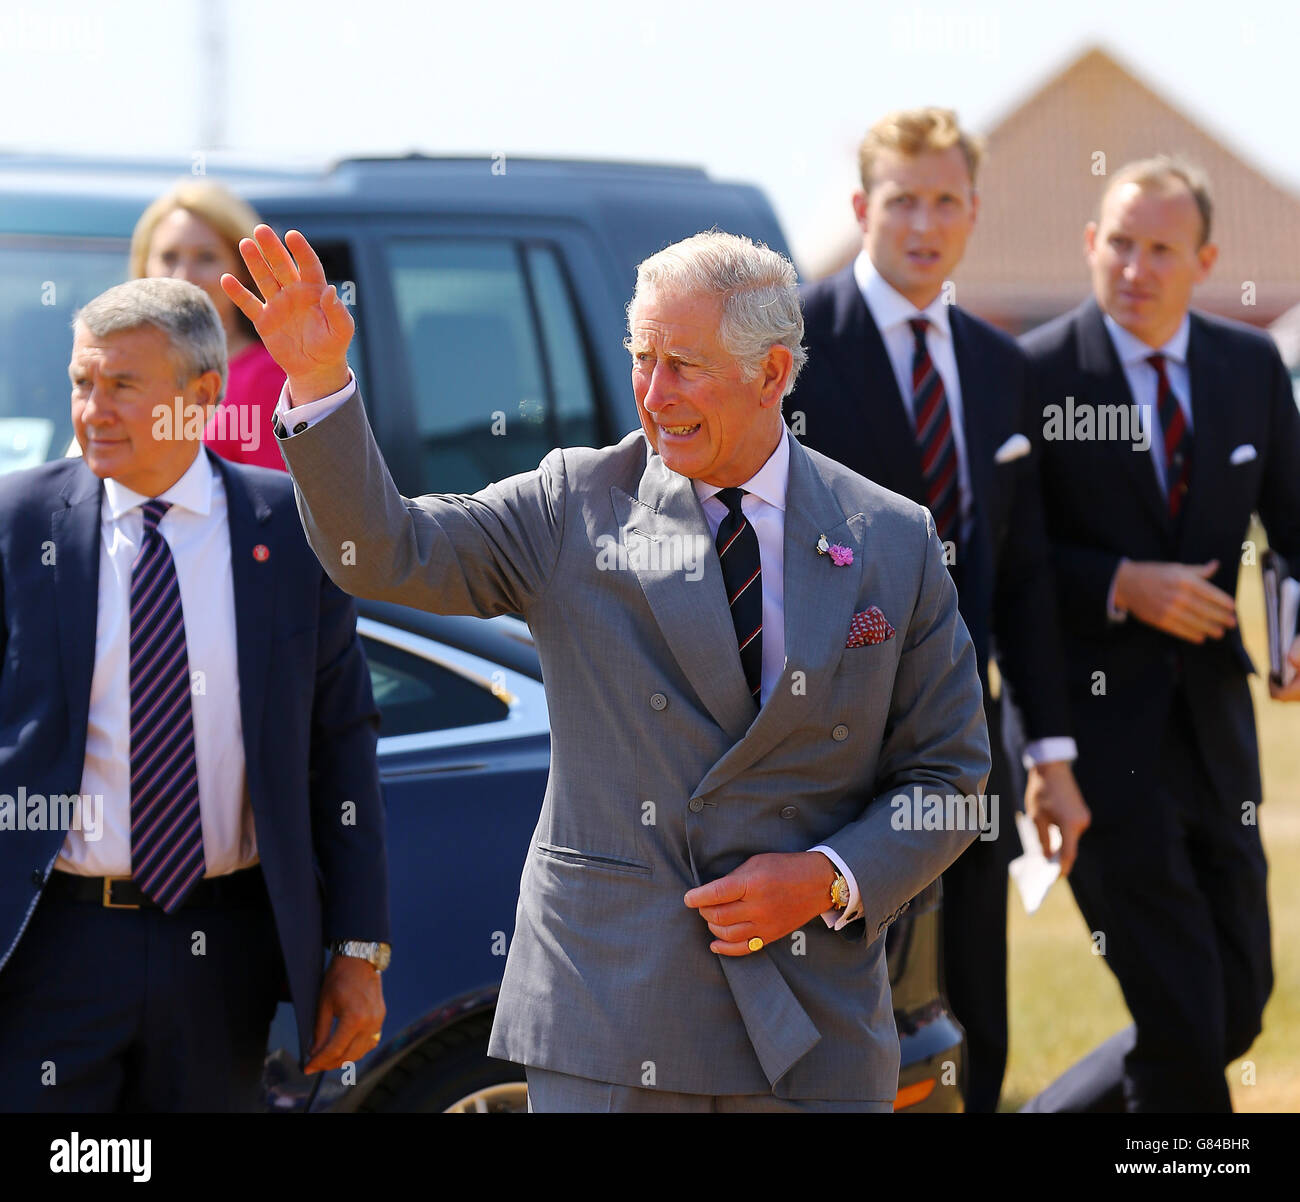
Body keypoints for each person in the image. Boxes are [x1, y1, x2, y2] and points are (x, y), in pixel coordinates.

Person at [223, 225, 991, 1111]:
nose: (654, 395)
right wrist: (319, 383)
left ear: (774, 373)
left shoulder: (891, 539)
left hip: (812, 1027)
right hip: (614, 1019)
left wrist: (825, 876)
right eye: (642, 358)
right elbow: (382, 551)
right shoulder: (575, 504)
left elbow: (951, 780)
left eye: (685, 365)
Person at [0, 278, 390, 1111]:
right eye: (81, 382)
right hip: (52, 943)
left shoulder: (291, 528)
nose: (92, 409)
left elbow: (341, 741)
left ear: (202, 396)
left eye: (122, 385)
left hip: (225, 951)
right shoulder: (18, 524)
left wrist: (358, 948)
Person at [788, 107, 1091, 1112]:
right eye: (903, 199)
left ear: (973, 212)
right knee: (853, 1033)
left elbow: (1025, 578)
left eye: (945, 201)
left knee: (974, 1024)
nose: (924, 222)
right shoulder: (792, 349)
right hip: (826, 757)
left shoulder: (1002, 365)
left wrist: (1047, 752)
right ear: (860, 207)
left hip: (963, 752)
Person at [1019, 157, 1300, 1112]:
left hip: (1219, 728)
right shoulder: (1035, 373)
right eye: (1120, 244)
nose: (1135, 266)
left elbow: (1296, 536)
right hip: (1094, 740)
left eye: (1161, 249)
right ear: (1092, 245)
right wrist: (1119, 584)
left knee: (1238, 1005)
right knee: (1184, 1015)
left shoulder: (1250, 367)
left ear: (1205, 259)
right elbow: (1001, 564)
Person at [130, 181, 287, 470]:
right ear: (143, 268)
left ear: (244, 268)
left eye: (206, 257)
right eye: (168, 257)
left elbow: (278, 507)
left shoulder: (266, 379)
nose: (184, 275)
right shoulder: (123, 369)